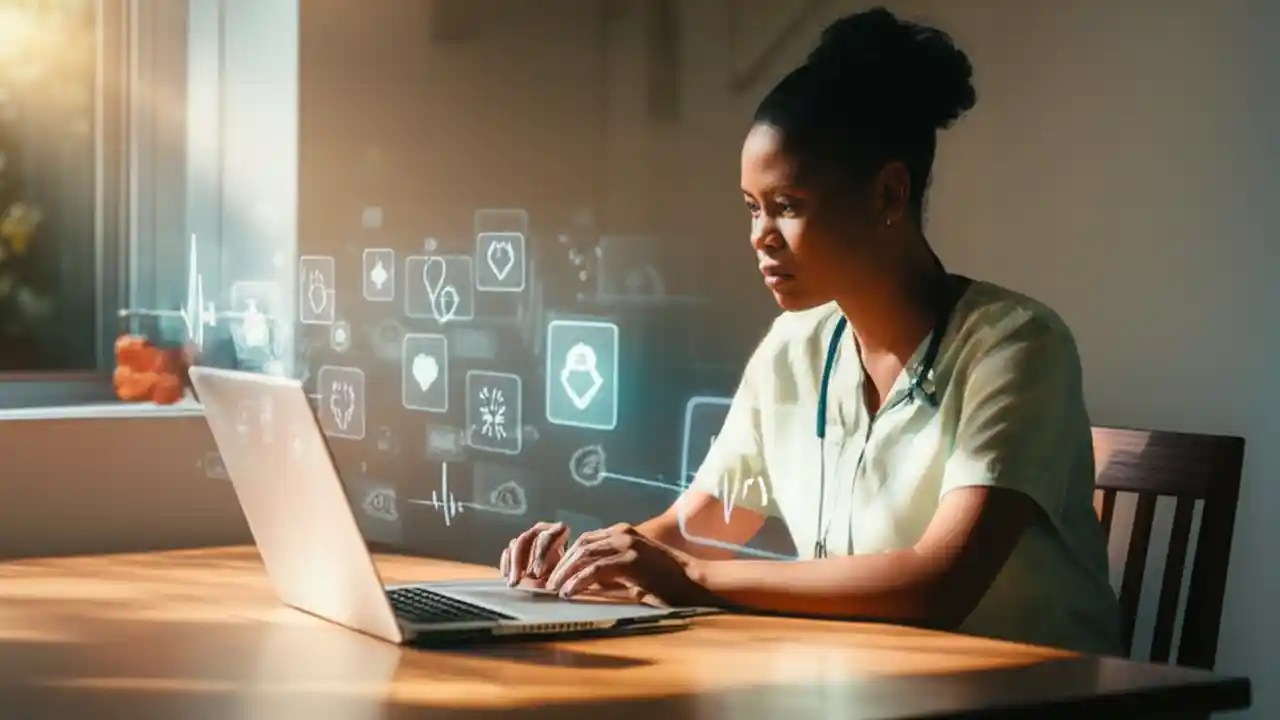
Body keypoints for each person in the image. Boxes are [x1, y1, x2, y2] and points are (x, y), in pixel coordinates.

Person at [500, 7, 1121, 655]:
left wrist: (697, 579)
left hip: (1032, 695)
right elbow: (698, 524)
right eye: (751, 209)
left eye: (787, 207)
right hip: (866, 681)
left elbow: (941, 582)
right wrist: (591, 558)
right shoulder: (794, 349)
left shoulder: (1016, 347)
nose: (760, 238)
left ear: (887, 195)